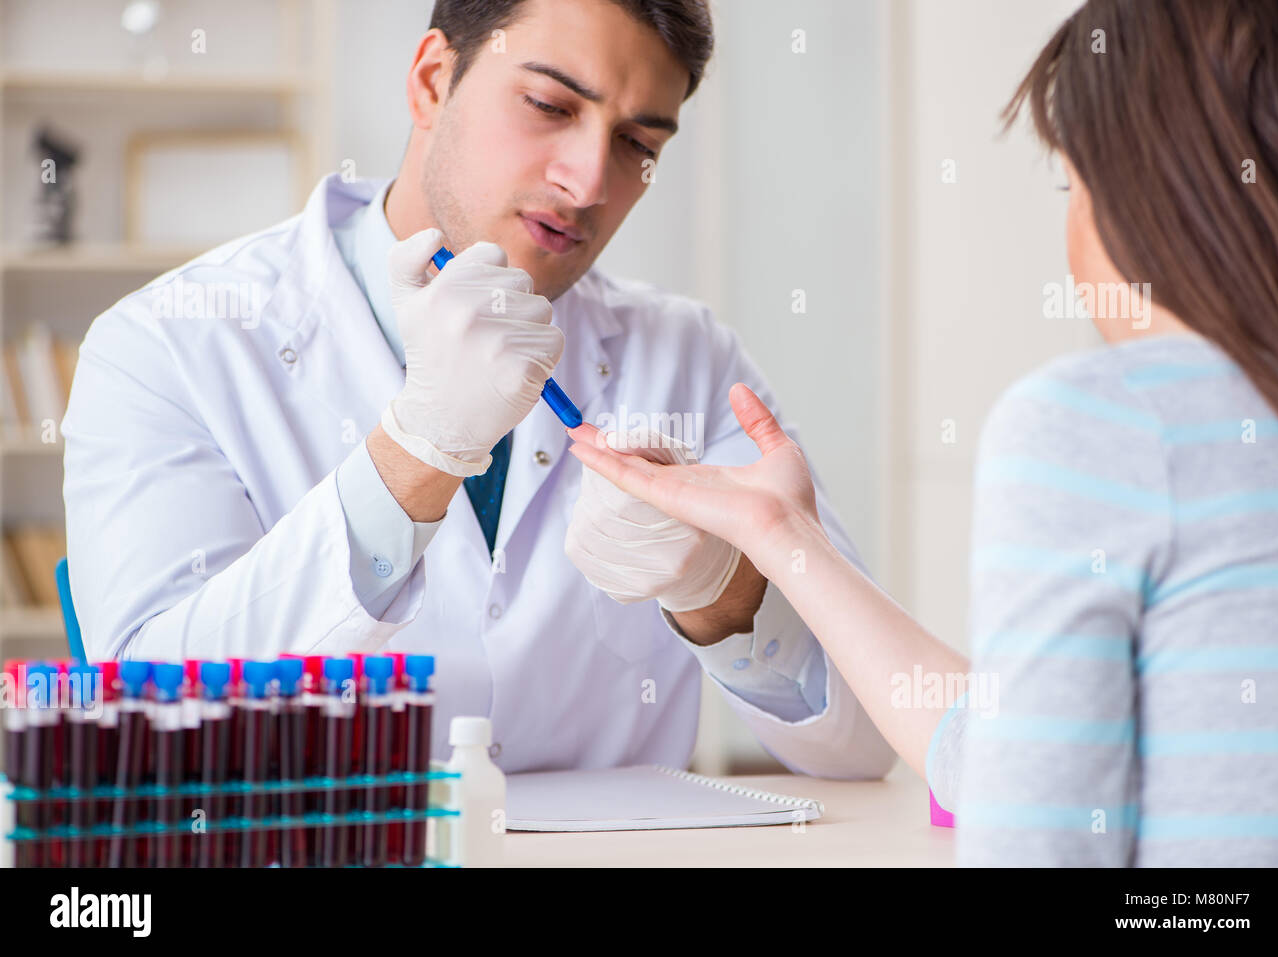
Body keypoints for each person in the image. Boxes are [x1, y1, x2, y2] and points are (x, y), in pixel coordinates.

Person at [62, 0, 895, 779]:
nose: (590, 182)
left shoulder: (691, 359)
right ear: (433, 80)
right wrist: (416, 454)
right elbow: (146, 733)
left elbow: (869, 744)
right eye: (550, 105)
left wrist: (724, 595)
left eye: (639, 143)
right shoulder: (167, 344)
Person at [567, 0, 1278, 865]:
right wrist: (782, 538)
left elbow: (1033, 841)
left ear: (1147, 191)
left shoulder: (1099, 425)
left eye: (1073, 184)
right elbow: (1002, 757)